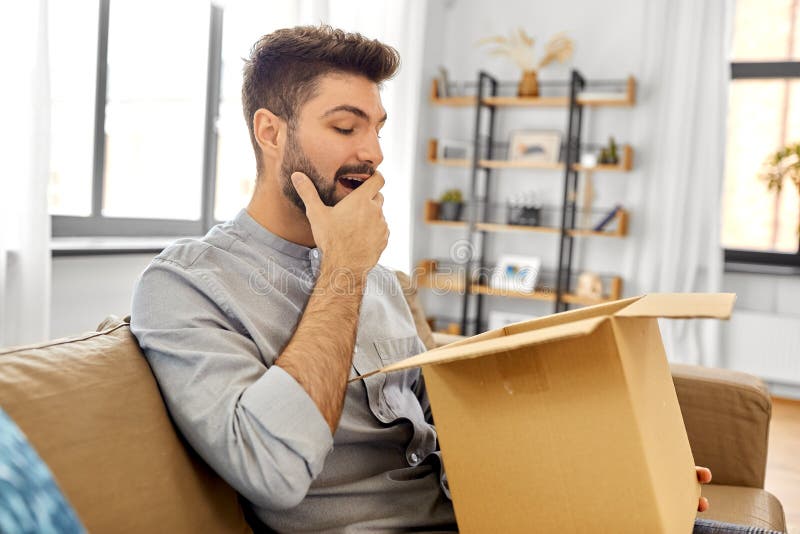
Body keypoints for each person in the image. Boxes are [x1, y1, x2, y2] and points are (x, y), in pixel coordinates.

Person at [131, 25, 777, 534]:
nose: (373, 153)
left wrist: (612, 470)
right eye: (345, 126)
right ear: (270, 132)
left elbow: (458, 428)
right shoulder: (188, 286)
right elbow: (273, 470)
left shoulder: (380, 280)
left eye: (376, 128)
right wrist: (344, 271)